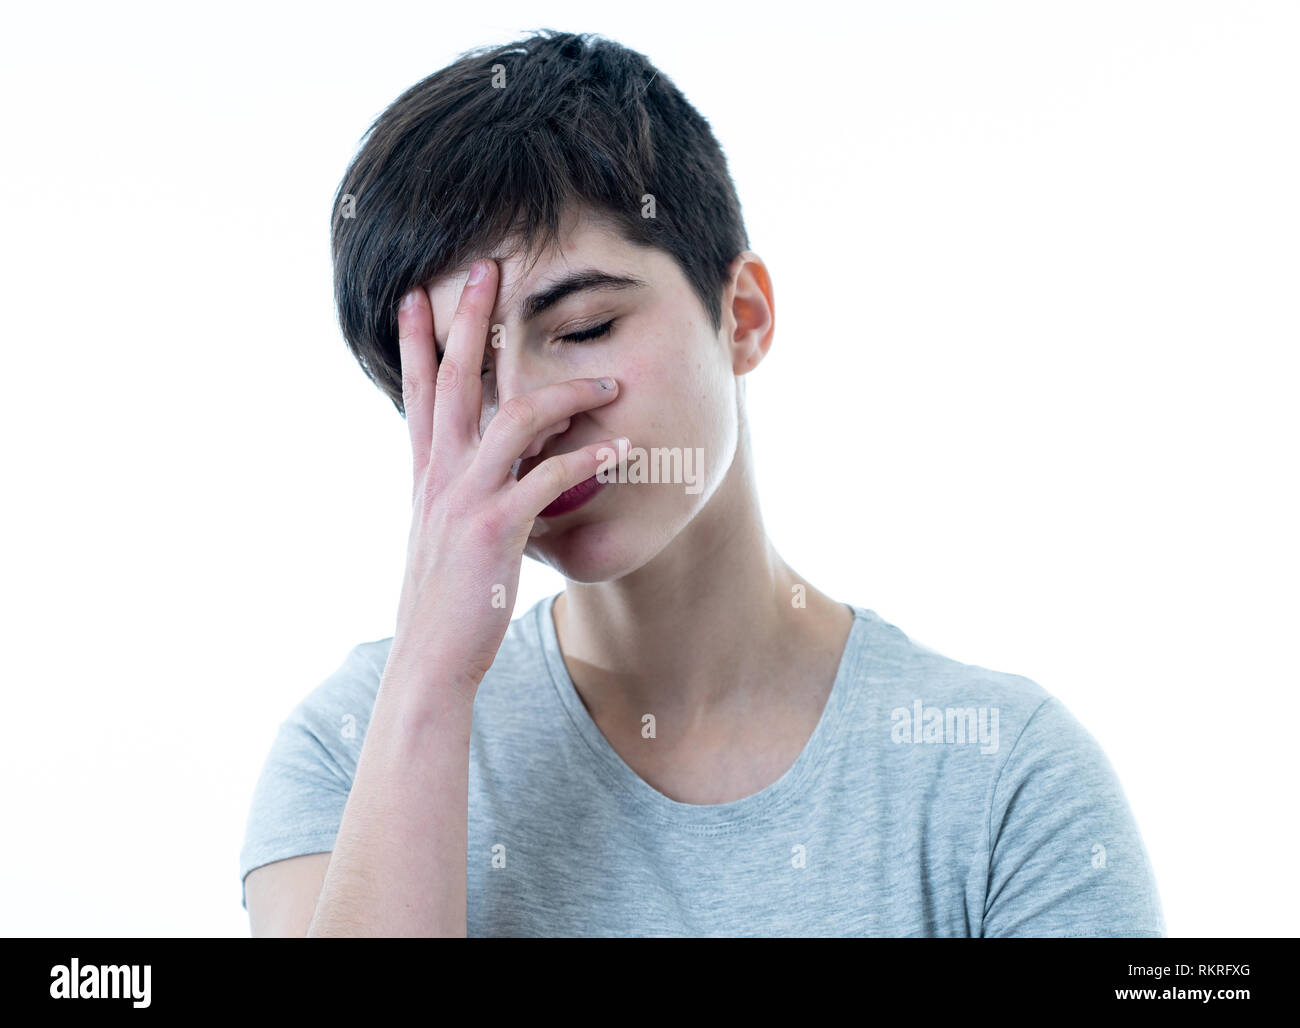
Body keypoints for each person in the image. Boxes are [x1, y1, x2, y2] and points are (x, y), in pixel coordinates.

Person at [239, 29, 1164, 937]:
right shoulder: (354, 747)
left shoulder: (1003, 780)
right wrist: (430, 685)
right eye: (455, 375)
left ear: (745, 317)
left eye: (584, 328)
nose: (526, 413)